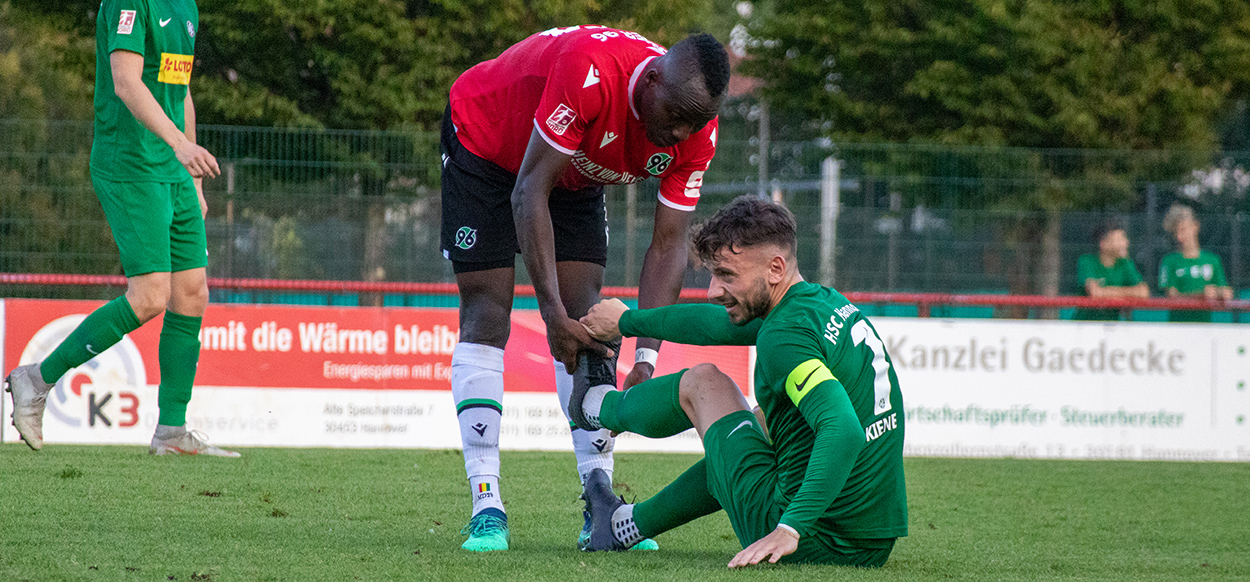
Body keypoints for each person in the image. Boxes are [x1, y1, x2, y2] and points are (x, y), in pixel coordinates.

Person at [440, 25, 729, 551]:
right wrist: (549, 313)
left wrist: (646, 352)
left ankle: (599, 498)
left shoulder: (695, 134)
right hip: (487, 142)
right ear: (654, 78)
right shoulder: (591, 71)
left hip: (572, 171)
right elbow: (529, 190)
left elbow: (668, 245)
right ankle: (487, 506)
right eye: (677, 114)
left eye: (697, 121)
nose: (682, 130)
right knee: (488, 312)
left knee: (592, 323)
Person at [572, 196, 908, 568]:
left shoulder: (783, 334)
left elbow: (842, 428)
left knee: (705, 383)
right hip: (872, 542)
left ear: (775, 268)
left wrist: (790, 529)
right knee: (759, 423)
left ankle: (595, 406)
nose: (714, 290)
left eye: (728, 275)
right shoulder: (824, 303)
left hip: (812, 536)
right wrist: (627, 322)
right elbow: (710, 324)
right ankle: (624, 526)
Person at [4, 0, 236, 457]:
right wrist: (180, 146)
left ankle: (172, 431)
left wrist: (189, 174)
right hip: (129, 164)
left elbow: (180, 89)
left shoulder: (185, 7)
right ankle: (35, 379)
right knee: (151, 295)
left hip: (172, 169)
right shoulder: (129, 3)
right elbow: (127, 84)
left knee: (192, 292)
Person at [1159, 204, 1233, 323]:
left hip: (1204, 328)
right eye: (1175, 233)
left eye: (1183, 230)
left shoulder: (1212, 260)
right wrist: (1200, 295)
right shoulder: (1169, 261)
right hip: (1178, 327)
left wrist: (1219, 293)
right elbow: (1172, 297)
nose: (1179, 237)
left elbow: (1225, 291)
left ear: (1195, 226)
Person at [1072, 220, 1148, 321]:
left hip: (1112, 328)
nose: (1126, 243)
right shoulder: (1086, 261)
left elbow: (1143, 292)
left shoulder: (1125, 263)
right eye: (1120, 239)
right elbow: (1095, 293)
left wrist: (1107, 292)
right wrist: (1129, 294)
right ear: (1103, 244)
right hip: (1085, 327)